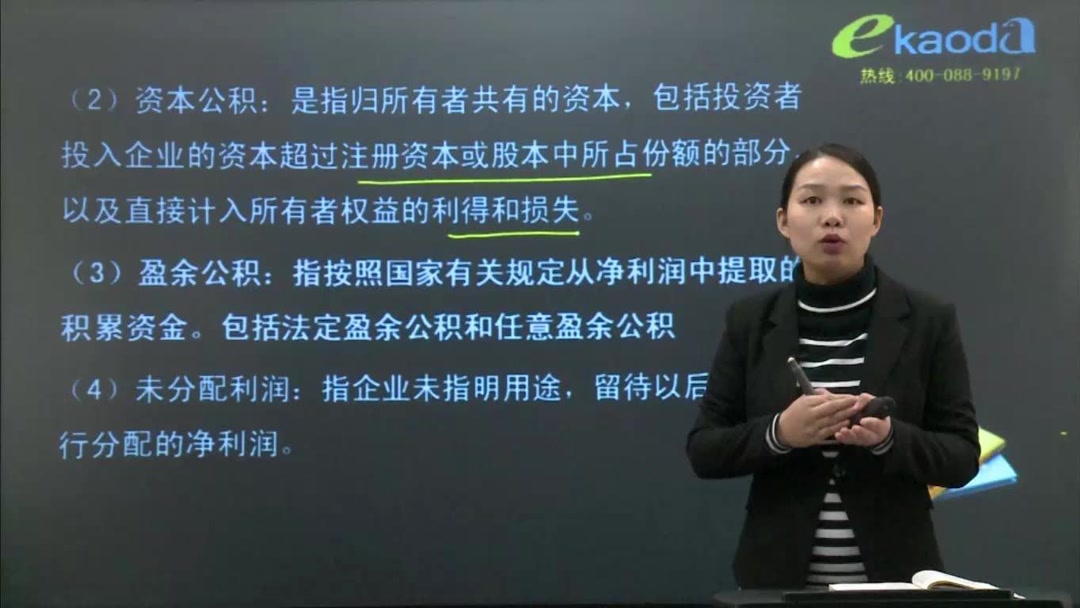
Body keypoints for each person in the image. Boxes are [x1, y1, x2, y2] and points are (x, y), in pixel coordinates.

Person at [685, 143, 980, 590]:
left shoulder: (927, 320)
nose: (832, 217)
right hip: (778, 582)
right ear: (783, 220)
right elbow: (705, 449)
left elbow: (961, 458)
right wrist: (780, 432)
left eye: (851, 201)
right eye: (811, 200)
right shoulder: (750, 321)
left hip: (897, 581)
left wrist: (888, 438)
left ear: (876, 219)